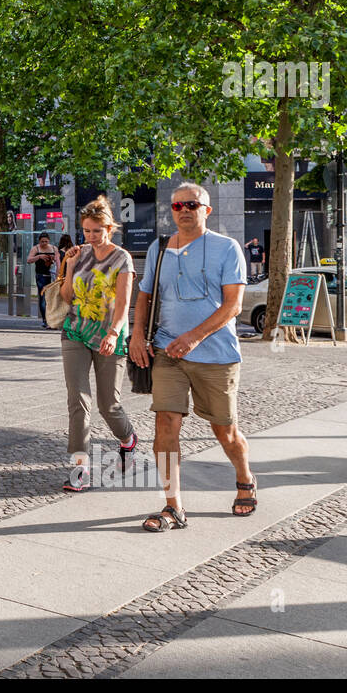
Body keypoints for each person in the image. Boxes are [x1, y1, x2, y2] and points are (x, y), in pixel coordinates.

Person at [128, 183, 253, 531]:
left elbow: (234, 305)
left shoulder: (227, 248)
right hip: (168, 351)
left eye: (192, 204)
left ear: (206, 210)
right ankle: (173, 506)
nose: (184, 210)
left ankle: (244, 478)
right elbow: (145, 295)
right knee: (165, 423)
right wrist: (136, 334)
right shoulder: (160, 247)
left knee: (225, 431)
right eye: (178, 205)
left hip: (216, 354)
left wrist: (195, 336)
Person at [57, 197, 137, 491]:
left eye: (96, 231)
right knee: (78, 401)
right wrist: (70, 265)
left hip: (109, 336)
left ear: (109, 228)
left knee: (108, 405)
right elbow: (67, 297)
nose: (91, 237)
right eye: (87, 231)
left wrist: (114, 333)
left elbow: (124, 303)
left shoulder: (122, 259)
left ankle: (128, 440)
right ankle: (81, 469)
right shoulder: (79, 254)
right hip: (75, 332)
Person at [28, 233, 59, 327]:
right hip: (41, 275)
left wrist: (54, 260)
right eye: (42, 242)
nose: (44, 243)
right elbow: (29, 260)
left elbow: (58, 261)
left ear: (49, 241)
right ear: (39, 241)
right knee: (43, 298)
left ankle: (52, 318)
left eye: (46, 241)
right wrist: (39, 257)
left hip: (52, 275)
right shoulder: (36, 249)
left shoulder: (54, 248)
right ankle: (45, 319)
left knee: (52, 298)